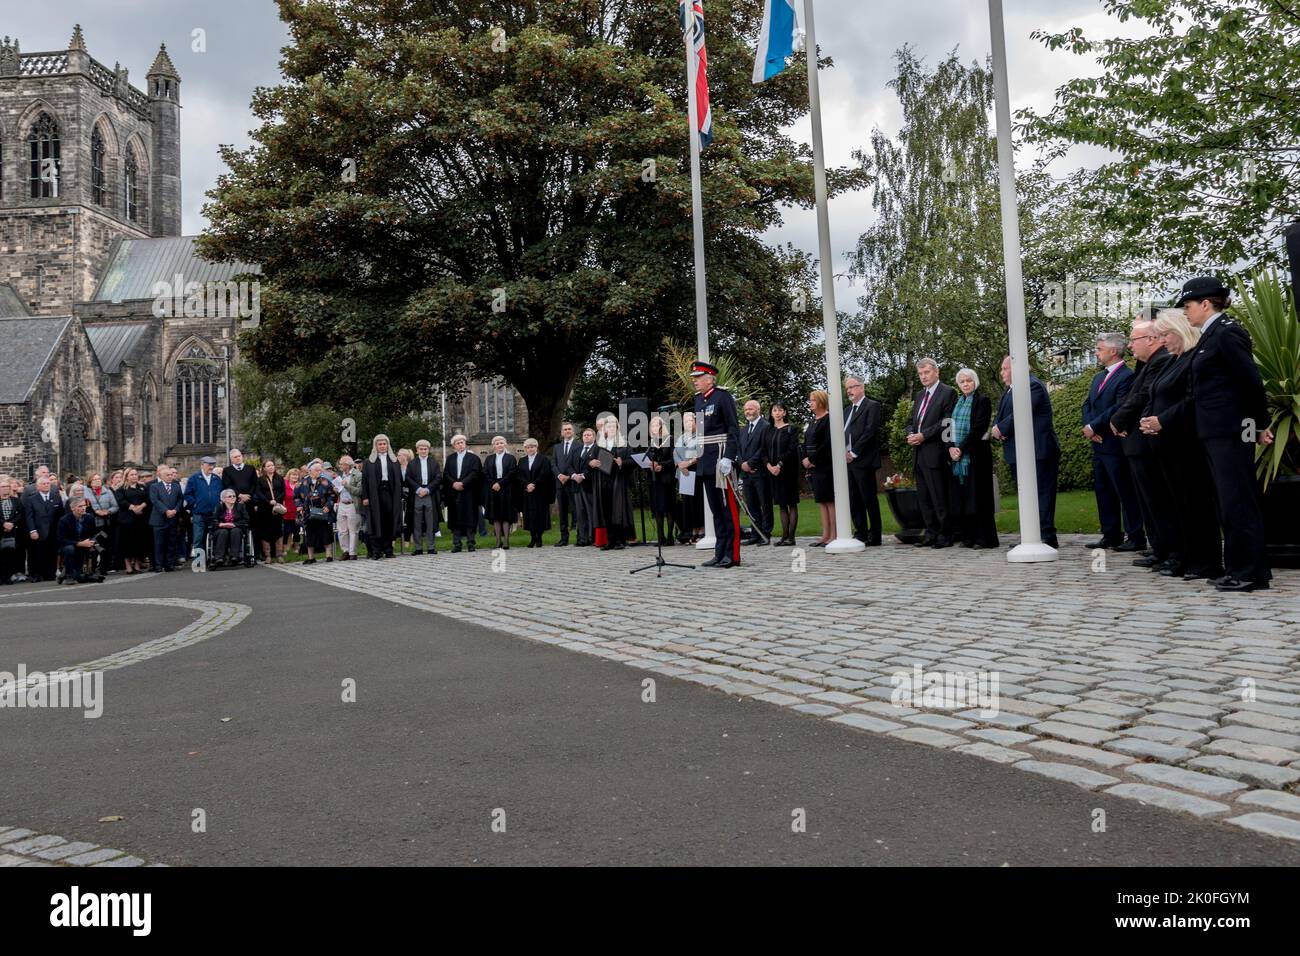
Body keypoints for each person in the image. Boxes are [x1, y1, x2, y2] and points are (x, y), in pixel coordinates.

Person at [1177, 276, 1272, 591]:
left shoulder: (1226, 334)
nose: (1186, 313)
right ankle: (1240, 566)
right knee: (1227, 501)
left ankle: (1248, 571)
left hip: (1232, 429)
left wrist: (1259, 424)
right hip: (1216, 430)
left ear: (1206, 304)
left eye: (1188, 306)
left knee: (1238, 500)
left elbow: (1250, 381)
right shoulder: (1209, 336)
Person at [1138, 309, 1222, 581]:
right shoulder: (1174, 360)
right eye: (1159, 335)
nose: (1163, 341)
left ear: (1179, 331)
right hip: (1166, 443)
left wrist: (1162, 420)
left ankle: (1205, 560)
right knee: (1179, 504)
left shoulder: (1190, 360)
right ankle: (1188, 556)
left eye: (1165, 334)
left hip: (1185, 442)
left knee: (1195, 503)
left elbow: (1191, 399)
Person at [1110, 314, 1177, 571]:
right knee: (1149, 501)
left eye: (1134, 339)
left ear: (1151, 339)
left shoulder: (1161, 361)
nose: (1130, 345)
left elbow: (1140, 398)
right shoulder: (1146, 364)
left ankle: (1169, 550)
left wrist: (1118, 420)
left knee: (1159, 500)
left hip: (1147, 442)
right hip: (1136, 442)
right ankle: (1159, 548)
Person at [1082, 332, 1144, 552]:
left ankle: (1135, 536)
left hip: (1115, 442)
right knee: (1103, 490)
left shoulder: (1127, 376)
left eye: (1099, 349)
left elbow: (1118, 407)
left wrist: (1095, 427)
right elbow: (1087, 404)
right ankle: (1110, 534)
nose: (1096, 353)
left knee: (1124, 490)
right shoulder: (1099, 377)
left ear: (1113, 351)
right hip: (1098, 443)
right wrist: (1089, 427)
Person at [991, 354, 1060, 549]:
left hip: (1038, 451)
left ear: (1016, 368)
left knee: (1042, 494)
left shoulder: (1033, 385)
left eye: (1005, 369)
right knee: (1026, 495)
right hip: (1019, 451)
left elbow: (1022, 411)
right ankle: (1031, 534)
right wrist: (999, 429)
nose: (1002, 373)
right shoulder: (1009, 391)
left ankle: (1046, 536)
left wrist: (1001, 429)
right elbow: (1002, 416)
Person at [693, 364, 741, 568]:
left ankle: (732, 554)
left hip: (721, 457)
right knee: (715, 510)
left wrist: (729, 457)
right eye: (694, 377)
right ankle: (720, 553)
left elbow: (733, 428)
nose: (694, 380)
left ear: (710, 378)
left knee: (727, 509)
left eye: (698, 376)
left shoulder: (723, 397)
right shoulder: (698, 400)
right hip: (706, 460)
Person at [948, 368, 999, 549]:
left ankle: (983, 539)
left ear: (975, 382)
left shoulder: (982, 401)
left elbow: (978, 428)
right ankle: (968, 537)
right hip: (958, 458)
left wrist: (961, 449)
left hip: (976, 456)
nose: (965, 384)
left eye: (968, 380)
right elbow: (948, 427)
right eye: (962, 381)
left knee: (979, 499)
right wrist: (951, 448)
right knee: (964, 499)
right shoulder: (956, 402)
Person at [843, 376, 884, 546]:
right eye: (847, 389)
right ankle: (860, 533)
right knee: (853, 498)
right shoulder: (846, 410)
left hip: (863, 460)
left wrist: (854, 452)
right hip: (847, 461)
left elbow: (869, 432)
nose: (850, 391)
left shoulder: (872, 406)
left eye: (853, 387)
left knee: (868, 498)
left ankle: (875, 535)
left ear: (862, 387)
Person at [764, 400, 801, 546]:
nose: (777, 413)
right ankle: (784, 536)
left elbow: (792, 450)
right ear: (771, 413)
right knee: (781, 504)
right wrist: (768, 465)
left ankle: (791, 537)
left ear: (785, 412)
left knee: (791, 503)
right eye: (774, 410)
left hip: (788, 471)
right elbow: (763, 450)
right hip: (773, 472)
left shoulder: (791, 429)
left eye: (780, 410)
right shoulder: (768, 430)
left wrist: (779, 465)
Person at [737, 399, 773, 544]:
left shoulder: (766, 426)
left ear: (758, 409)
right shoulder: (744, 429)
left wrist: (750, 463)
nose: (748, 412)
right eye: (746, 409)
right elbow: (739, 449)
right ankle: (755, 533)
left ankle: (766, 534)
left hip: (760, 472)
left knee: (765, 503)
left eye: (751, 409)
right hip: (746, 474)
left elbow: (764, 449)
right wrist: (742, 464)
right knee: (751, 505)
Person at [802, 390, 834, 546]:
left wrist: (812, 459)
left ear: (821, 401)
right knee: (821, 501)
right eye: (810, 400)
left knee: (829, 501)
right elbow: (805, 442)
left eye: (813, 400)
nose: (811, 403)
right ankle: (825, 535)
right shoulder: (812, 421)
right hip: (812, 466)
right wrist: (804, 458)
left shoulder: (828, 420)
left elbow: (827, 444)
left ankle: (834, 535)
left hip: (824, 466)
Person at [442, 434, 483, 552]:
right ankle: (457, 544)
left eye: (462, 442)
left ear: (465, 444)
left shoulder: (473, 458)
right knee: (455, 519)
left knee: (470, 517)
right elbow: (446, 474)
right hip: (454, 493)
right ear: (454, 446)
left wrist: (463, 483)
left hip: (469, 492)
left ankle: (471, 543)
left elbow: (475, 473)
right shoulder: (450, 459)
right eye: (457, 443)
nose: (460, 445)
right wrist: (454, 483)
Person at [23, 474, 64, 582]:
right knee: (37, 554)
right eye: (43, 484)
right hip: (38, 531)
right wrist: (32, 530)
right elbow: (29, 517)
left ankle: (50, 574)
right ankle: (36, 574)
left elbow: (60, 515)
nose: (46, 485)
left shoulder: (56, 497)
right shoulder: (31, 499)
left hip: (53, 531)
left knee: (52, 553)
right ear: (38, 486)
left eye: (48, 483)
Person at [646, 415, 679, 547]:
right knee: (657, 509)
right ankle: (661, 537)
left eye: (656, 425)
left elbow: (673, 459)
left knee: (668, 508)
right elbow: (648, 458)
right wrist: (651, 465)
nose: (654, 428)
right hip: (654, 479)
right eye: (652, 425)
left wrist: (662, 466)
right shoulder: (650, 442)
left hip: (666, 478)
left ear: (661, 426)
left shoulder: (669, 440)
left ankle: (670, 537)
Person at [517, 437, 556, 547]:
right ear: (525, 449)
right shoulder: (522, 460)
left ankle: (539, 537)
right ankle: (532, 537)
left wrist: (534, 484)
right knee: (529, 516)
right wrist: (526, 485)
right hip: (527, 493)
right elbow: (519, 475)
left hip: (540, 492)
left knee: (540, 515)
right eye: (528, 447)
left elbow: (545, 473)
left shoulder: (543, 459)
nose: (530, 449)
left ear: (536, 447)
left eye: (532, 447)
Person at [482, 435, 518, 549]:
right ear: (494, 446)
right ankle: (498, 541)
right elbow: (485, 473)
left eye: (501, 443)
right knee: (496, 516)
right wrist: (493, 484)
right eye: (497, 443)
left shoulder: (511, 458)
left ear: (505, 444)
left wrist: (500, 484)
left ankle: (506, 541)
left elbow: (512, 473)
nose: (499, 445)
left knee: (506, 516)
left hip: (506, 489)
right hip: (493, 490)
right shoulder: (489, 459)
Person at [297, 461, 337, 564]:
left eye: (320, 470)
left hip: (323, 511)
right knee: (310, 534)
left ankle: (329, 556)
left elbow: (332, 495)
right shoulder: (303, 483)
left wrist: (328, 506)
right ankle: (311, 557)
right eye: (317, 470)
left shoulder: (326, 482)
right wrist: (300, 507)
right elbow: (296, 497)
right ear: (310, 471)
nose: (319, 472)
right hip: (309, 512)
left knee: (326, 533)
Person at [407, 440, 442, 555]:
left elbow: (438, 478)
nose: (423, 451)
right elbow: (408, 478)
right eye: (421, 449)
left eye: (425, 449)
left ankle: (431, 547)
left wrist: (427, 489)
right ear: (417, 450)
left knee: (430, 521)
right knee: (416, 522)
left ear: (428, 450)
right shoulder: (412, 464)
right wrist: (418, 489)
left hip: (429, 494)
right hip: (417, 494)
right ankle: (418, 548)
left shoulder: (434, 463)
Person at [56, 496, 101, 585]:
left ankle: (89, 572)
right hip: (69, 545)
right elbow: (61, 539)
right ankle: (68, 576)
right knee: (70, 549)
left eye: (84, 505)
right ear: (72, 508)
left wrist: (92, 542)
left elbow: (93, 533)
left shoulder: (89, 518)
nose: (83, 508)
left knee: (79, 578)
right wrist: (79, 543)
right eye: (80, 506)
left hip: (84, 544)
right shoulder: (64, 520)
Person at [185, 456, 223, 559]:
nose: (211, 467)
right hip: (199, 514)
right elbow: (188, 494)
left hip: (214, 513)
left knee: (215, 536)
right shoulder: (194, 478)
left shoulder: (216, 479)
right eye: (209, 465)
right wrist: (195, 504)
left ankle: (213, 558)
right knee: (198, 538)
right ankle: (199, 562)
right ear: (202, 465)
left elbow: (222, 493)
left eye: (212, 465)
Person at [550, 422, 582, 547]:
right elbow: (553, 464)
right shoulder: (557, 447)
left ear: (573, 431)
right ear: (562, 432)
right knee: (562, 512)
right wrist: (559, 475)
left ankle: (581, 537)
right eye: (565, 429)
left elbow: (579, 463)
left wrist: (569, 476)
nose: (567, 431)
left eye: (569, 429)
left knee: (577, 510)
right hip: (560, 483)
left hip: (573, 482)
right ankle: (564, 538)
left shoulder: (579, 446)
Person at [673, 413, 703, 543]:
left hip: (695, 472)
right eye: (686, 421)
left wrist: (688, 463)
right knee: (687, 503)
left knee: (698, 502)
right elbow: (675, 453)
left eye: (691, 420)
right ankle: (693, 530)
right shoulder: (681, 438)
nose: (688, 423)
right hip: (683, 473)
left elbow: (699, 453)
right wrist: (680, 464)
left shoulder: (700, 436)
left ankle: (701, 530)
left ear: (696, 421)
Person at [148, 465, 183, 572]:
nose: (170, 477)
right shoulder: (155, 487)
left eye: (171, 475)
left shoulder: (176, 486)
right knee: (159, 544)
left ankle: (169, 564)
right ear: (161, 476)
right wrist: (166, 511)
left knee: (171, 543)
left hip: (172, 519)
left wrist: (175, 510)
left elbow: (180, 499)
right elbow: (155, 500)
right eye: (167, 475)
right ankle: (158, 565)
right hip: (159, 520)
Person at [83, 472, 119, 576]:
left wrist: (108, 512)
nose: (97, 481)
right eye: (94, 479)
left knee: (105, 546)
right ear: (90, 481)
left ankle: (103, 568)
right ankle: (92, 568)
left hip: (105, 523)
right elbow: (85, 504)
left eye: (99, 479)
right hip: (92, 524)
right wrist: (96, 511)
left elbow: (115, 506)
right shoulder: (86, 491)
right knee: (93, 546)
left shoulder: (107, 492)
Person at [255, 458, 289, 564]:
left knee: (278, 531)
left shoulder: (279, 478)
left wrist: (276, 500)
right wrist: (268, 501)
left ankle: (279, 555)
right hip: (264, 509)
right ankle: (268, 555)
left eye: (272, 465)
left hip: (277, 508)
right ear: (264, 468)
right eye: (268, 466)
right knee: (265, 532)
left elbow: (283, 492)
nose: (271, 467)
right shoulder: (260, 480)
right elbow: (258, 493)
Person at [117, 468, 151, 573]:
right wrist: (133, 507)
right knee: (127, 543)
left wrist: (141, 506)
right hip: (126, 519)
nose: (134, 476)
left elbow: (148, 499)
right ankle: (128, 566)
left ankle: (137, 565)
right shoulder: (121, 488)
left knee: (139, 542)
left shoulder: (142, 487)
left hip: (140, 519)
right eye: (132, 474)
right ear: (127, 476)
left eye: (136, 474)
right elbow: (121, 501)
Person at [210, 488, 251, 566]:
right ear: (223, 499)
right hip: (221, 529)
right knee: (223, 532)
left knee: (235, 531)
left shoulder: (240, 506)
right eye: (230, 496)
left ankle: (235, 556)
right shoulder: (219, 507)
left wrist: (234, 524)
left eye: (234, 496)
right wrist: (220, 524)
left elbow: (246, 520)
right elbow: (213, 520)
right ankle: (219, 558)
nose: (232, 497)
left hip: (236, 528)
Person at [572, 427, 598, 546]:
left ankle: (592, 537)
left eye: (589, 435)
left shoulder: (597, 449)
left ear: (594, 437)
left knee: (590, 511)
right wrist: (573, 475)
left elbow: (596, 466)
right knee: (580, 512)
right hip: (577, 485)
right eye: (584, 435)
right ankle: (582, 538)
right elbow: (569, 465)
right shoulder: (577, 450)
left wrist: (583, 476)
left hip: (589, 484)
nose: (586, 437)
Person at [333, 457, 362, 560]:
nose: (340, 466)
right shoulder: (341, 475)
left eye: (341, 464)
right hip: (342, 503)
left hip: (352, 504)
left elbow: (359, 491)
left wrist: (347, 485)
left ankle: (352, 553)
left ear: (347, 465)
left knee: (353, 529)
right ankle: (345, 551)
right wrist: (336, 490)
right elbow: (341, 490)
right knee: (342, 530)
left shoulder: (357, 474)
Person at [0, 475, 26, 584]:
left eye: (7, 486)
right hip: (1, 531)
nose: (5, 488)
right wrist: (3, 524)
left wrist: (11, 523)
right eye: (2, 486)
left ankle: (8, 576)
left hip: (13, 532)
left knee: (10, 555)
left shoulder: (16, 501)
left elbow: (20, 513)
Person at [396, 448, 415, 553]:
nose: (398, 457)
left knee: (409, 516)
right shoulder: (396, 467)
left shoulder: (411, 467)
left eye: (399, 455)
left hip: (411, 494)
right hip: (399, 494)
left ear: (405, 456)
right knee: (398, 516)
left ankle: (408, 537)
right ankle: (396, 537)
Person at [281, 467, 301, 553]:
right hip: (286, 511)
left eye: (296, 475)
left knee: (296, 530)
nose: (295, 477)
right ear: (289, 475)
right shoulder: (284, 484)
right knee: (286, 531)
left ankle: (296, 548)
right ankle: (284, 549)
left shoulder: (300, 485)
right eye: (293, 475)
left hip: (297, 511)